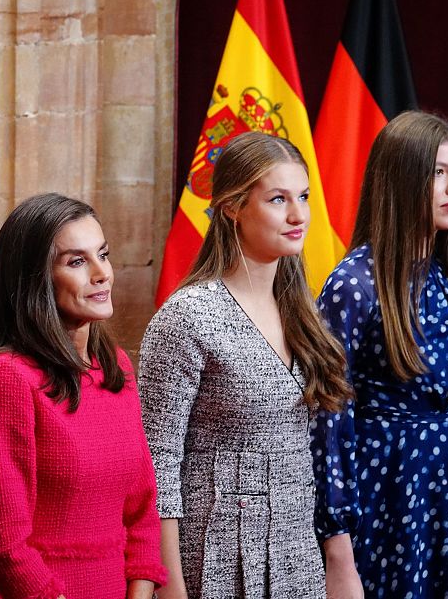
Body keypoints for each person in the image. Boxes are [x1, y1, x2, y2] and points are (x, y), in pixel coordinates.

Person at [313, 111, 448, 599]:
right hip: (387, 497)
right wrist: (337, 554)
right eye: (438, 172)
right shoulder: (353, 285)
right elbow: (327, 422)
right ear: (401, 180)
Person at [139, 132, 352, 598]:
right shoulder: (188, 315)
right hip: (215, 554)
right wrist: (168, 584)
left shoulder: (302, 310)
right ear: (232, 206)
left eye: (303, 197)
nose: (299, 216)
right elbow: (158, 465)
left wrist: (338, 559)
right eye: (279, 199)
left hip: (296, 552)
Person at [0, 193, 166, 599]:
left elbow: (142, 513)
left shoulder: (116, 366)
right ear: (36, 279)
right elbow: (5, 546)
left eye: (102, 254)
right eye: (76, 261)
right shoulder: (6, 378)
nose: (102, 272)